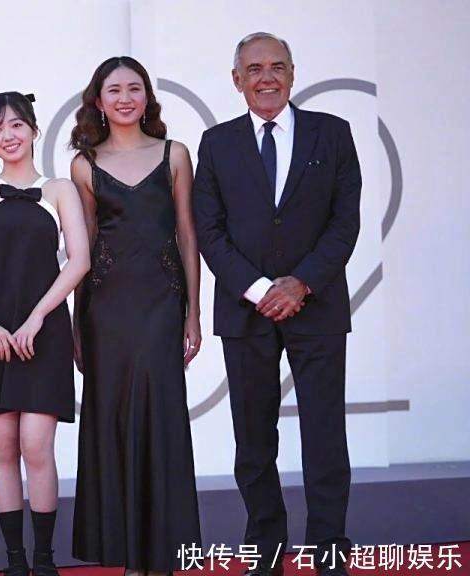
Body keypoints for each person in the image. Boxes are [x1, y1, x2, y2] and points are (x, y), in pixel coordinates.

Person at [193, 32, 362, 576]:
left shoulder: (332, 133)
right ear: (236, 79)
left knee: (325, 436)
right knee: (253, 440)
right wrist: (259, 288)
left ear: (292, 73)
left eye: (277, 67)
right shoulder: (216, 144)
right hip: (246, 312)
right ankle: (265, 551)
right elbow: (208, 229)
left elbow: (345, 222)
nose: (267, 78)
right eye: (254, 69)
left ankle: (329, 551)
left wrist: (301, 284)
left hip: (318, 307)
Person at [69, 56, 202, 576]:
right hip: (105, 309)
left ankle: (162, 555)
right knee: (114, 419)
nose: (125, 98)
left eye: (134, 88)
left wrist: (193, 312)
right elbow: (84, 248)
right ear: (98, 101)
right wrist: (77, 324)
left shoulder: (175, 154)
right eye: (114, 90)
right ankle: (128, 557)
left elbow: (187, 234)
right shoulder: (84, 165)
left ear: (147, 96)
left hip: (162, 301)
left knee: (161, 418)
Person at [0, 92, 90, 576]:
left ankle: (45, 560)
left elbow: (79, 260)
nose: (7, 136)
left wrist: (38, 317)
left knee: (36, 445)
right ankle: (15, 561)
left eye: (15, 125)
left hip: (42, 332)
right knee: (1, 445)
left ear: (33, 129)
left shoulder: (59, 190)